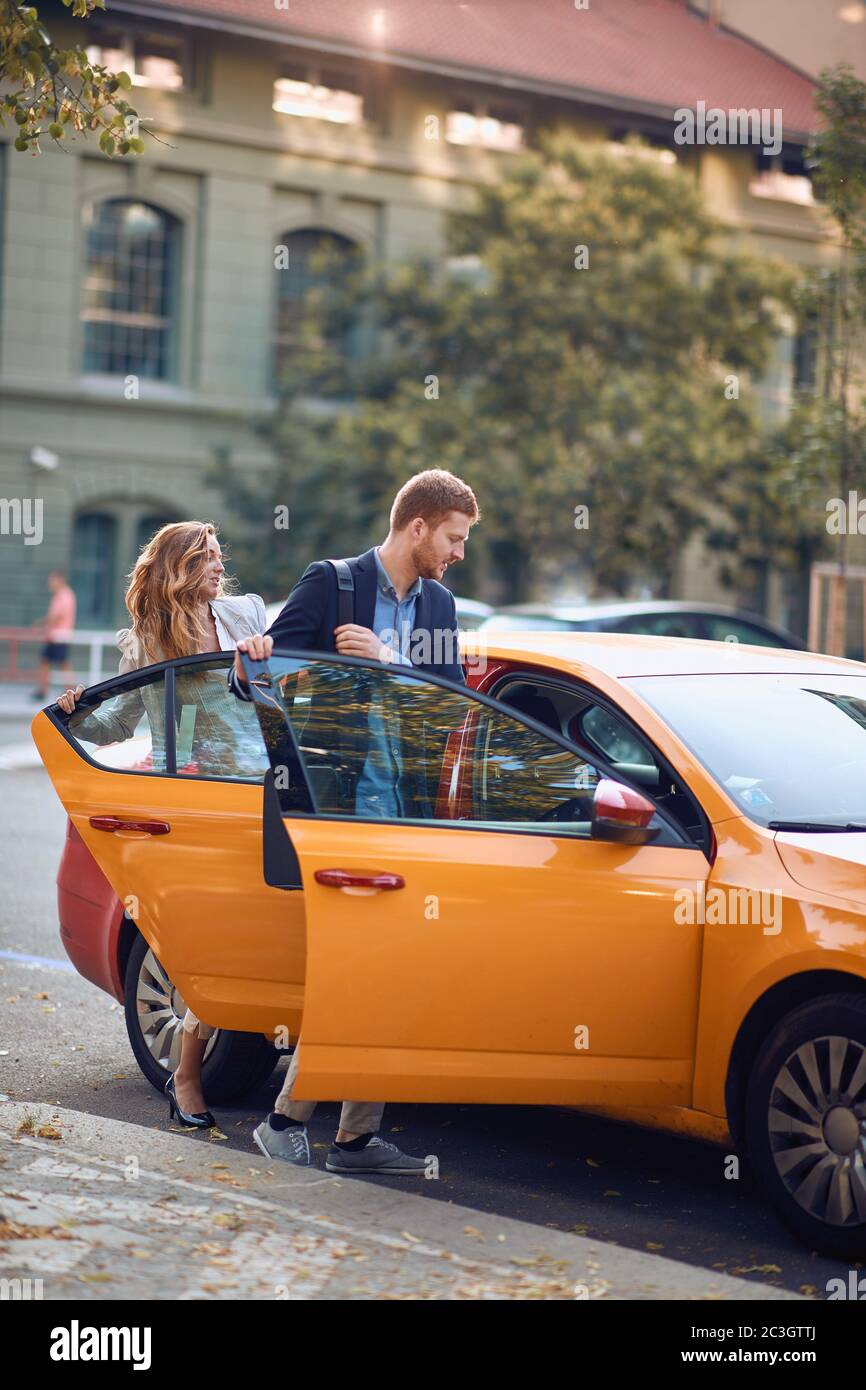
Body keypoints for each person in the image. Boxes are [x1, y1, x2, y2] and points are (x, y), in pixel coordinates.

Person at [232, 468, 480, 1174]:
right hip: (336, 816)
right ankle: (288, 1120)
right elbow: (254, 676)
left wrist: (388, 660)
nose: (459, 553)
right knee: (355, 971)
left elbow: (452, 703)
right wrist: (256, 657)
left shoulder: (438, 606)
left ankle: (352, 1137)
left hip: (407, 820)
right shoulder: (334, 583)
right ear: (419, 527)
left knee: (387, 974)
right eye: (454, 539)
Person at [56, 520, 271, 1130]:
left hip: (271, 789)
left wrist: (268, 656)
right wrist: (76, 715)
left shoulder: (245, 615)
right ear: (179, 568)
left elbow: (287, 679)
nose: (218, 568)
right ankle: (187, 1073)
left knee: (265, 934)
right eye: (206, 559)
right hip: (202, 804)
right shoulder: (150, 642)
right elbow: (122, 720)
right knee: (213, 939)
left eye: (219, 557)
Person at [32, 570, 76, 700]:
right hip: (55, 636)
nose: (50, 583)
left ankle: (70, 691)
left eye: (53, 580)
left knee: (63, 664)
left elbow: (56, 616)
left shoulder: (65, 595)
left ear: (60, 580)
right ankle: (43, 690)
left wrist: (41, 624)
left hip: (60, 636)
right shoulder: (60, 595)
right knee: (46, 661)